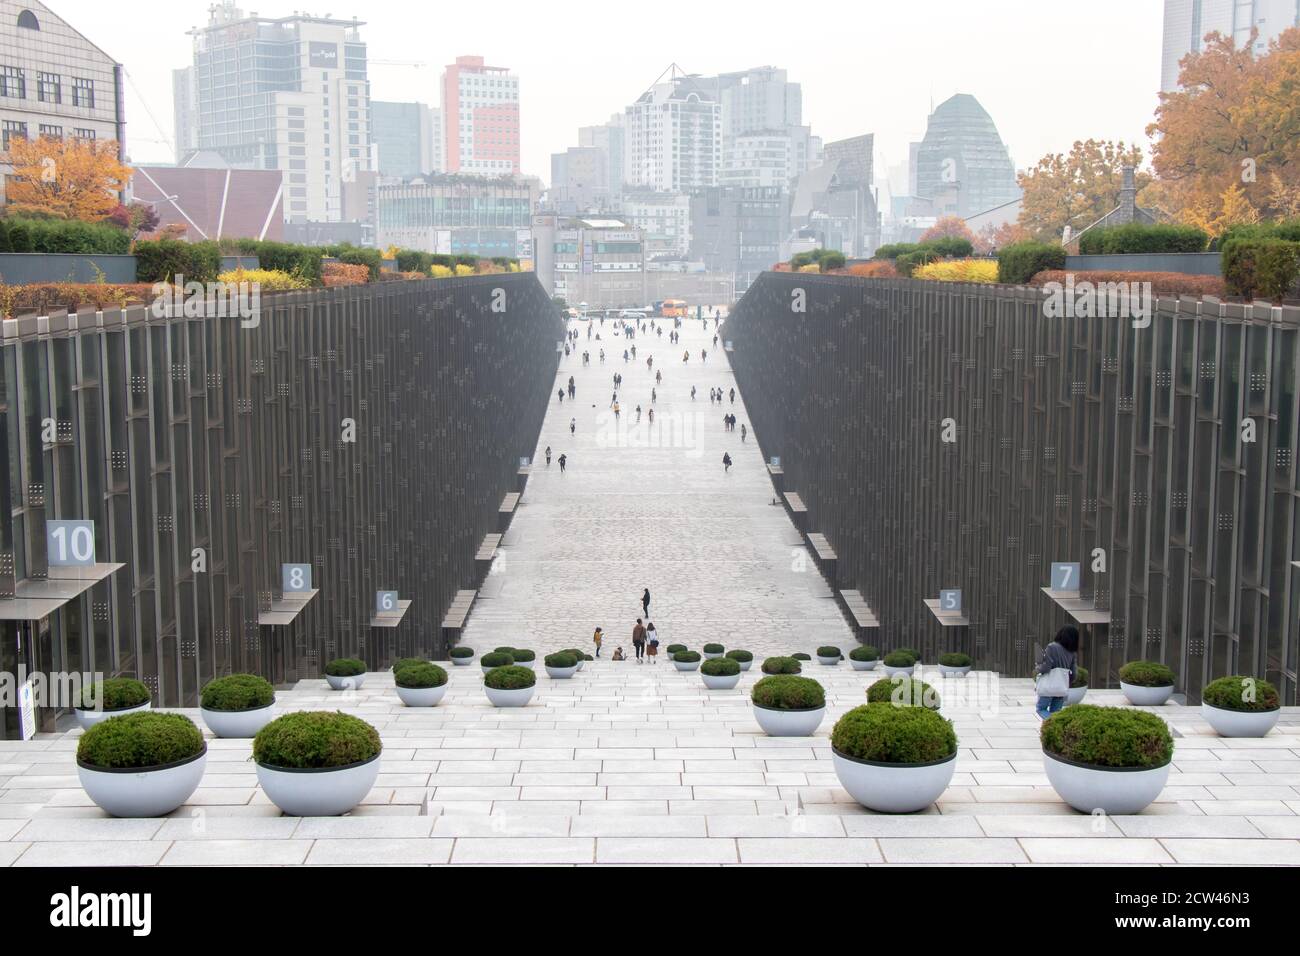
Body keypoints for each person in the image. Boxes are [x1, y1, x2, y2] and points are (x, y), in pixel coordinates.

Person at [1035, 625, 1079, 720]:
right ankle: (1054, 725)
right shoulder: (1072, 652)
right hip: (1062, 687)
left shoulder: (1052, 647)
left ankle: (1052, 723)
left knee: (1041, 709)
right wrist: (1067, 682)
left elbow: (1046, 667)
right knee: (1056, 712)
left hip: (1049, 685)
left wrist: (1038, 668)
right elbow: (1074, 674)